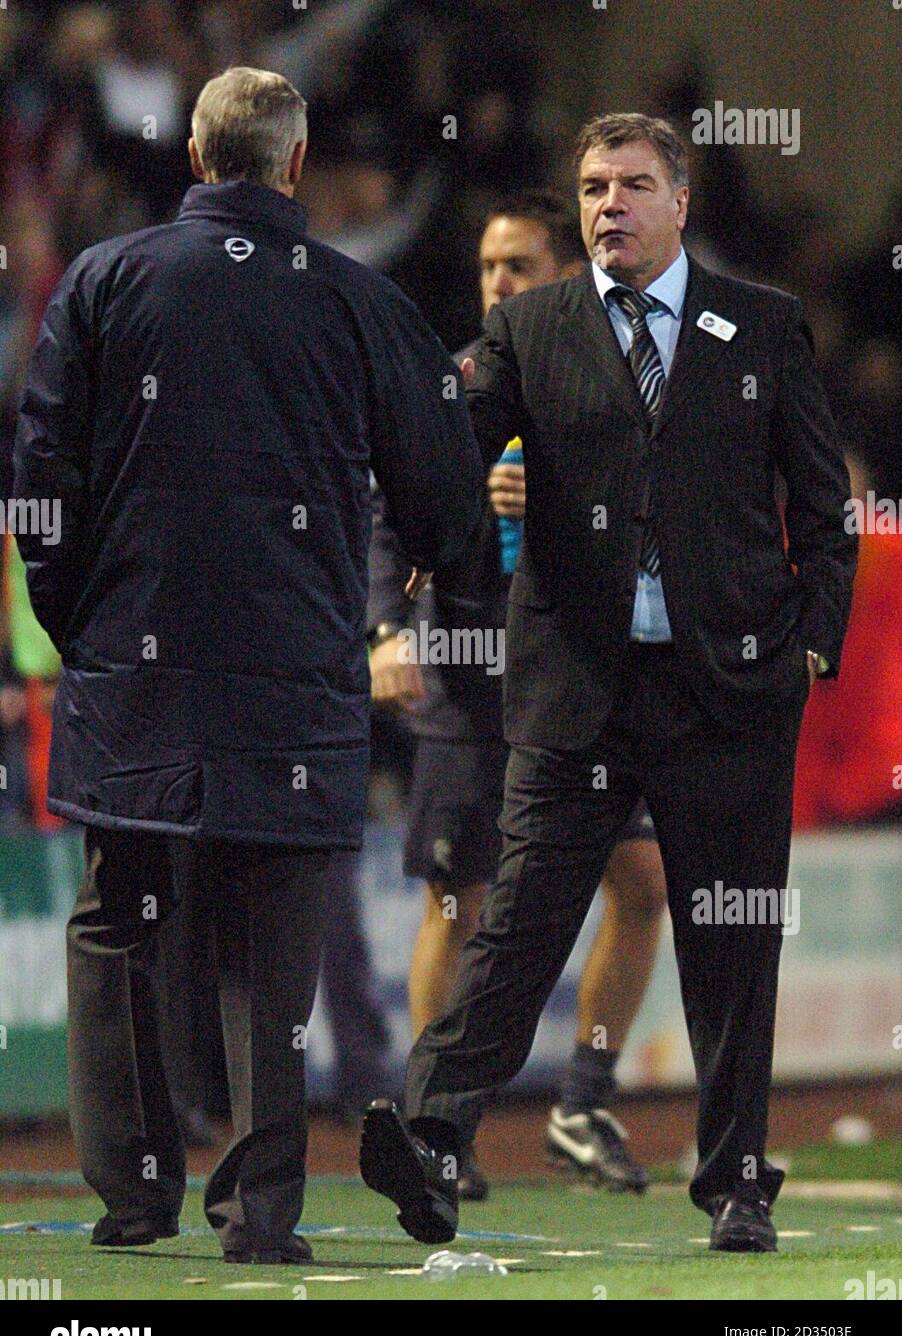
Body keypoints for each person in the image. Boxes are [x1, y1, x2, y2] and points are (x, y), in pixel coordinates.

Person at [360, 113, 857, 1254]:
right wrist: (435, 509)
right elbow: (443, 465)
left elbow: (823, 514)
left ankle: (734, 1179)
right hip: (575, 687)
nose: (607, 207)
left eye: (632, 185)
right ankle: (432, 1139)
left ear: (680, 202)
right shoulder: (529, 328)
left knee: (728, 940)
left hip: (726, 690)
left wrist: (809, 650)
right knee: (521, 925)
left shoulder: (764, 327)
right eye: (590, 187)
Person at [12, 65, 484, 1265]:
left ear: (193, 156)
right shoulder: (357, 300)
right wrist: (418, 576)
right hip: (295, 668)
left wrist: (84, 630)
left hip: (136, 668)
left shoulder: (105, 281)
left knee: (119, 920)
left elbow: (41, 482)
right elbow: (442, 474)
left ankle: (131, 1195)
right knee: (270, 949)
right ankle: (259, 1212)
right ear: (294, 161)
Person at [368, 191, 665, 1199]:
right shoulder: (457, 379)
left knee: (643, 886)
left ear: (563, 273)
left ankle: (581, 1104)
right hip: (469, 682)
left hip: (583, 676)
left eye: (519, 264)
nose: (499, 281)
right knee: (461, 902)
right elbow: (388, 506)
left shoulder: (613, 372)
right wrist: (383, 630)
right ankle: (432, 1121)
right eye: (490, 265)